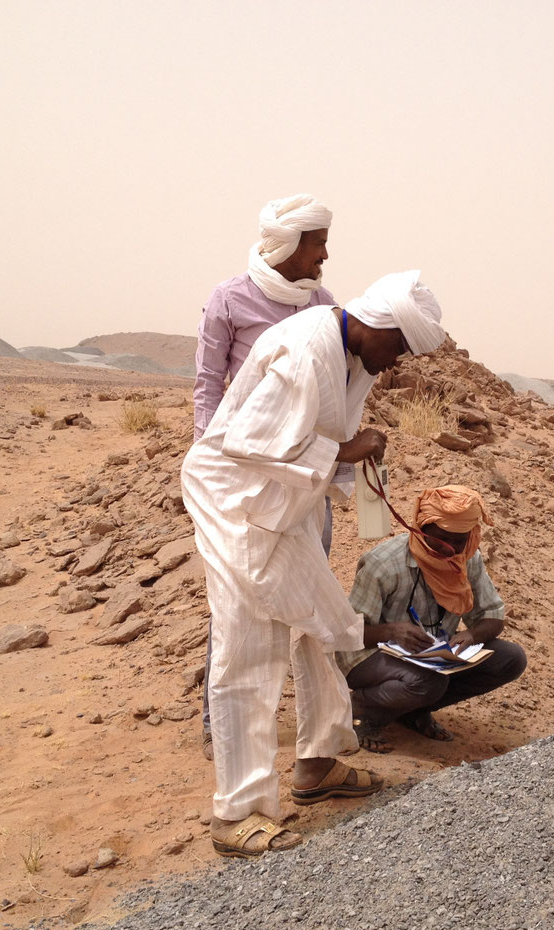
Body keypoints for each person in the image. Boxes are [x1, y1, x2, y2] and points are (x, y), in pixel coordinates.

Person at [181, 271, 446, 857]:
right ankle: (237, 814)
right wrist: (350, 451)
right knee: (250, 646)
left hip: (283, 503)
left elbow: (313, 439)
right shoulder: (307, 350)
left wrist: (353, 463)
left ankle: (318, 766)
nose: (396, 362)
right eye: (398, 346)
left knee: (318, 628)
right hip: (239, 504)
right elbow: (250, 441)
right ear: (380, 323)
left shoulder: (352, 357)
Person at [193, 193, 337, 761]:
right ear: (289, 245)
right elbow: (208, 385)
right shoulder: (230, 298)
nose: (326, 252)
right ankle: (219, 719)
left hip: (303, 482)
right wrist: (216, 459)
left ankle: (307, 728)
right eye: (318, 241)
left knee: (305, 597)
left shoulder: (322, 304)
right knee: (237, 597)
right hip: (244, 481)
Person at [338, 485, 527, 753]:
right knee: (429, 681)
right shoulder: (383, 564)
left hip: (430, 656)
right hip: (367, 656)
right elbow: (346, 635)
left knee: (511, 659)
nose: (450, 549)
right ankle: (364, 710)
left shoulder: (466, 559)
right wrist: (391, 632)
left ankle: (412, 710)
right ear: (421, 529)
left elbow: (493, 619)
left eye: (459, 541)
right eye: (441, 539)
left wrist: (472, 635)